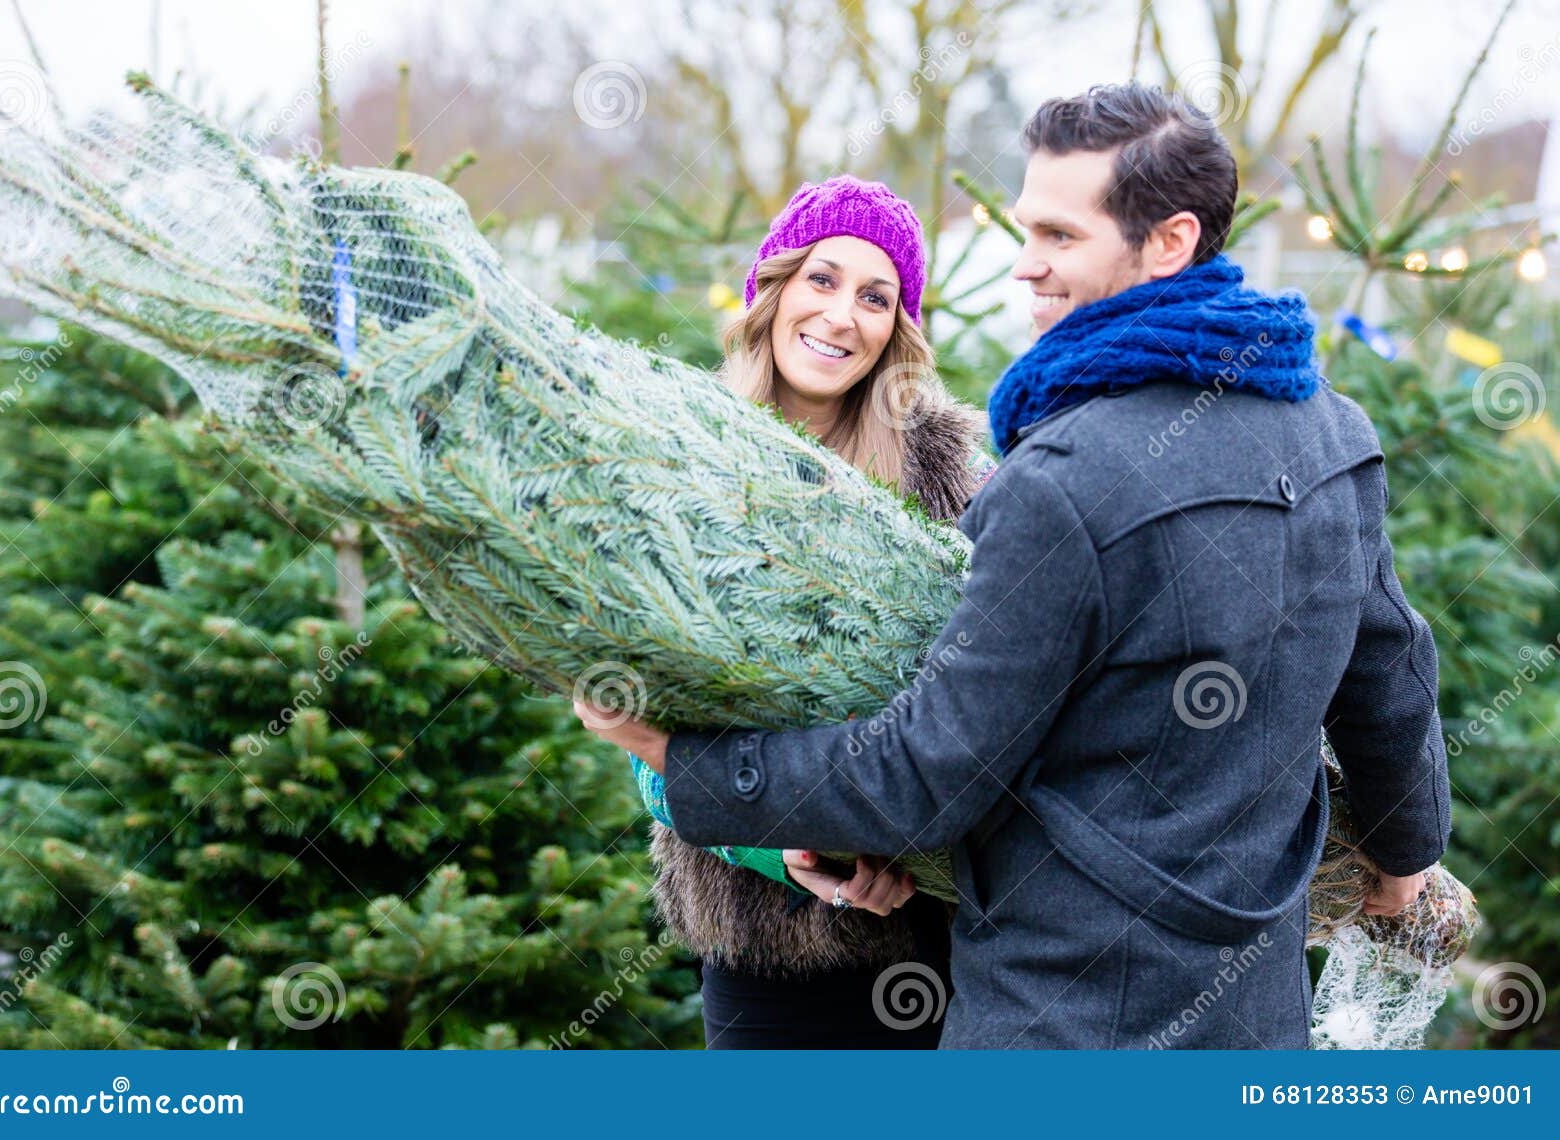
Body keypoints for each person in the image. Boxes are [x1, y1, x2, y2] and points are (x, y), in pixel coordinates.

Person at [578, 83, 1451, 1049]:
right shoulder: (1334, 432)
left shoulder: (1056, 479)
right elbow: (1388, 681)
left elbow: (929, 772)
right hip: (1253, 1017)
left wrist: (679, 759)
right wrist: (1406, 859)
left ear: (1168, 241)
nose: (1024, 265)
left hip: (1056, 1017)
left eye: (1060, 237)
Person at [628, 175, 996, 1049]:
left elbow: (986, 696)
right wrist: (784, 852)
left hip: (933, 935)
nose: (842, 315)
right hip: (769, 953)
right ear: (774, 288)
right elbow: (645, 746)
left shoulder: (947, 479)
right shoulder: (688, 463)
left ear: (896, 329)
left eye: (877, 297)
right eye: (822, 280)